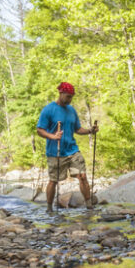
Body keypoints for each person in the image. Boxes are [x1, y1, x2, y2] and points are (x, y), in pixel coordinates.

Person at [36, 82, 99, 215]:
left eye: (71, 97)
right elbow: (39, 130)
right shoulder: (48, 110)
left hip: (72, 150)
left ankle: (89, 206)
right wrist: (53, 136)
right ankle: (49, 208)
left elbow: (77, 129)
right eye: (68, 96)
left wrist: (90, 131)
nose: (70, 99)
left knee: (82, 176)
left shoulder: (72, 110)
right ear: (61, 93)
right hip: (55, 152)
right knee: (53, 180)